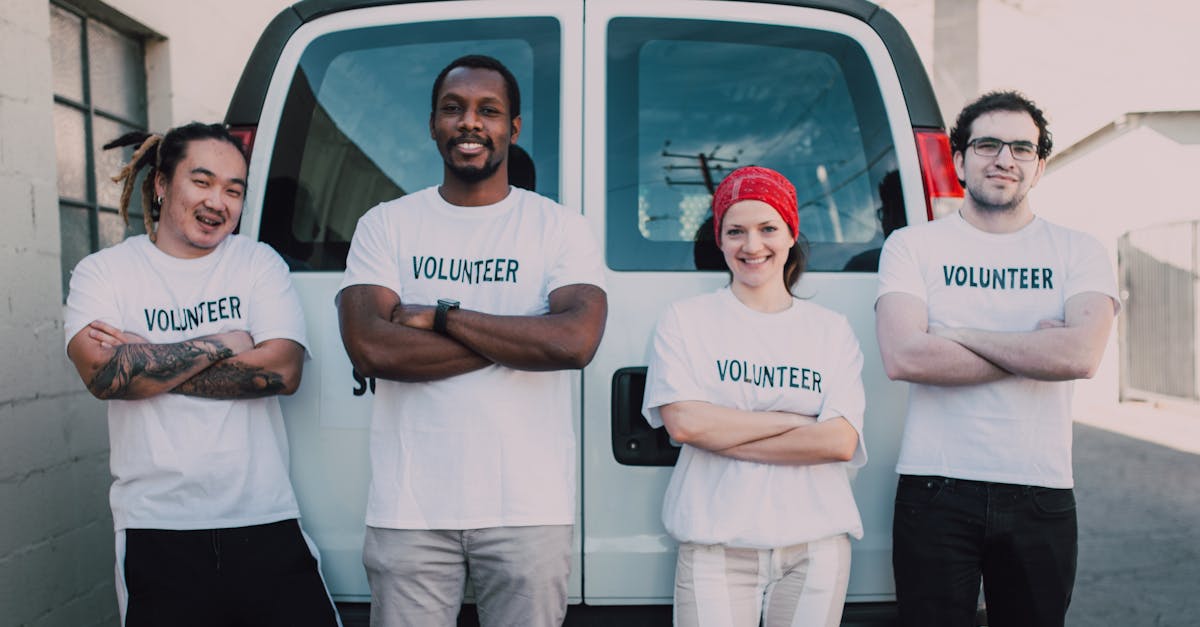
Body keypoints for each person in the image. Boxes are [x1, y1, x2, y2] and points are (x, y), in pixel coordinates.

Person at [336, 54, 607, 626]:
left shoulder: (558, 227)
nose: (470, 123)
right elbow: (370, 347)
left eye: (490, 110)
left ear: (513, 127)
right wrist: (520, 335)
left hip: (528, 509)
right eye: (453, 109)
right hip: (409, 508)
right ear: (433, 123)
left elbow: (574, 343)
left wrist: (439, 316)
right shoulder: (385, 224)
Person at [64, 122, 339, 627]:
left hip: (265, 520)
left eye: (234, 190)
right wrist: (223, 343)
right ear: (162, 184)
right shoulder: (105, 273)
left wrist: (148, 365)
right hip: (156, 527)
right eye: (203, 181)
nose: (219, 202)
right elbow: (105, 376)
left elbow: (282, 370)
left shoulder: (257, 263)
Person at [876, 91, 1120, 627]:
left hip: (1041, 491)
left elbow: (1081, 353)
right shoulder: (912, 246)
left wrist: (957, 333)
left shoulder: (1079, 250)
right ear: (959, 160)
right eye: (987, 144)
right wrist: (1036, 348)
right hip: (934, 488)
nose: (1004, 159)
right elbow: (905, 356)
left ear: (1039, 165)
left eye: (1021, 148)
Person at [642, 166, 867, 627]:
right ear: (720, 240)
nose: (752, 246)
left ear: (790, 234)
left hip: (815, 546)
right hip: (714, 545)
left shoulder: (829, 330)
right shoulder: (685, 320)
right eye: (736, 231)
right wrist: (799, 422)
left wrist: (720, 428)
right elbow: (684, 424)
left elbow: (839, 442)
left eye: (768, 229)